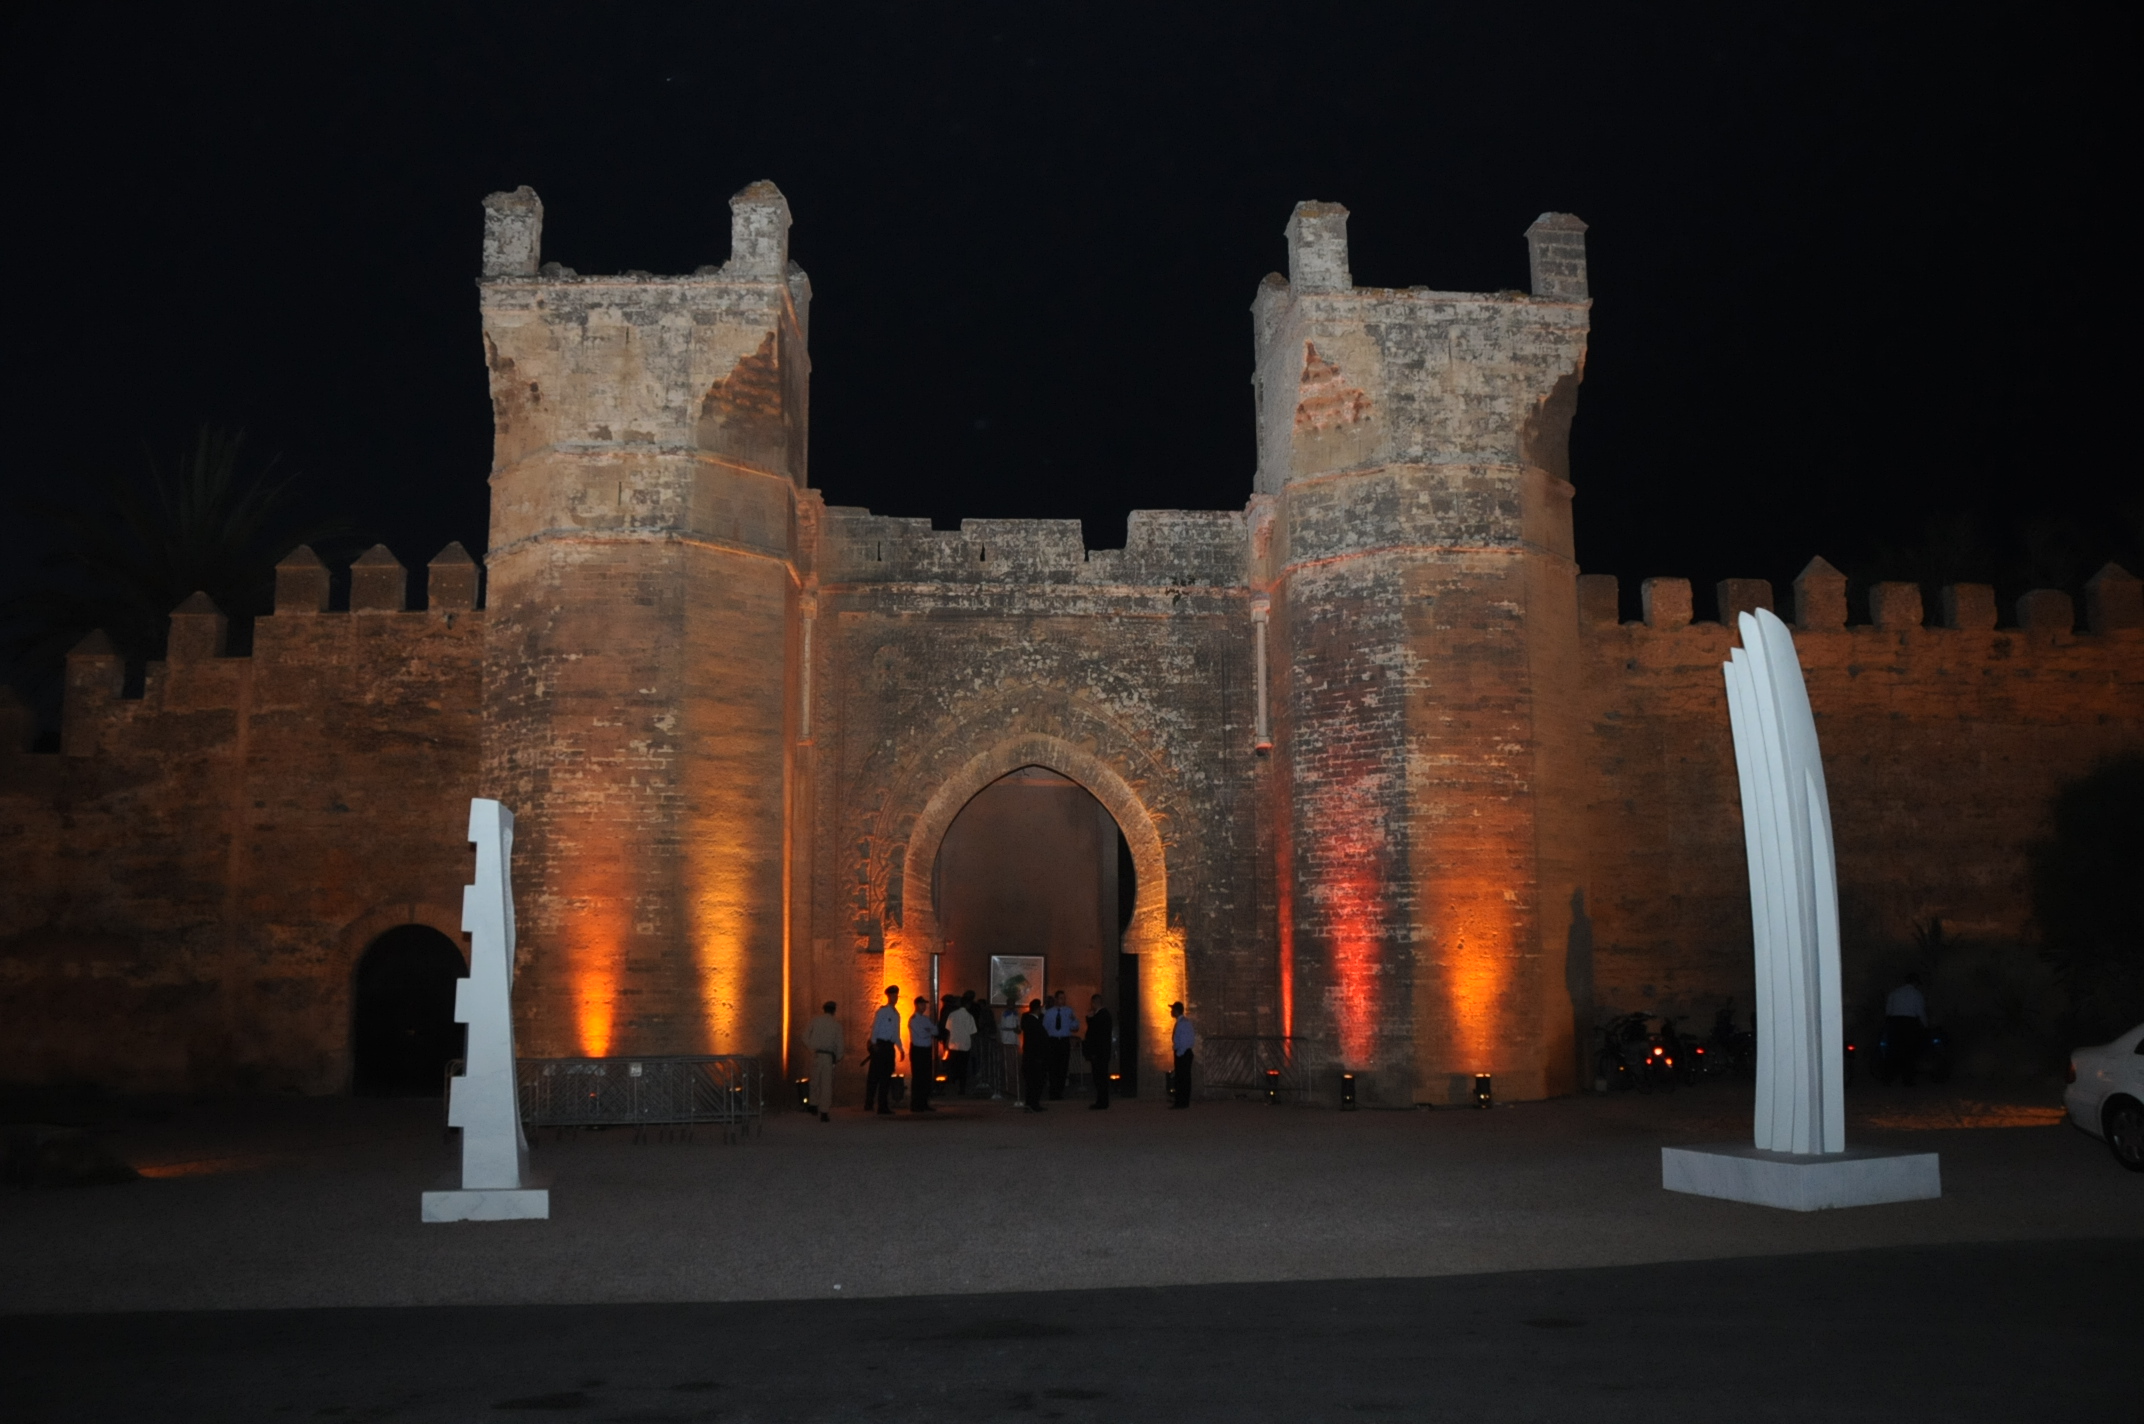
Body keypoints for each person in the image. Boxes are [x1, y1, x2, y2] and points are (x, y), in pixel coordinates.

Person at [1884, 973, 1928, 1086]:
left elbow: (1888, 1011)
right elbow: (1920, 1012)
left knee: (1893, 1049)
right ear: (1915, 982)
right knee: (1910, 1050)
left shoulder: (1894, 993)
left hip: (1895, 1022)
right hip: (1909, 1023)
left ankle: (1889, 1077)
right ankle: (1907, 1079)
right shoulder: (1916, 994)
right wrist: (1925, 1025)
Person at [866, 985, 903, 1115]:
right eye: (893, 995)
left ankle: (883, 1105)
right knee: (874, 1076)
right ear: (888, 996)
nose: (895, 998)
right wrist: (874, 1043)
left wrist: (901, 1048)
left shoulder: (896, 1014)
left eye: (896, 996)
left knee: (886, 1077)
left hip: (889, 1047)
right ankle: (869, 1103)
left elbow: (896, 1034)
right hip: (880, 1045)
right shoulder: (882, 1011)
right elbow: (875, 1027)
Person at [804, 1000, 842, 1122]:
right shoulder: (836, 1025)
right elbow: (840, 1043)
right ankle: (824, 1111)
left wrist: (811, 1048)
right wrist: (838, 1056)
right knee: (826, 1084)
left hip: (816, 1054)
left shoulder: (815, 1021)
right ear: (834, 1011)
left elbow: (804, 1036)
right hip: (828, 1056)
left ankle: (813, 1104)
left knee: (814, 1081)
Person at [1043, 990, 1078, 1099]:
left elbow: (1075, 1027)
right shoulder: (1049, 1012)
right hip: (1053, 1041)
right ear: (1056, 999)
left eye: (1064, 998)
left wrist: (1073, 1020)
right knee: (1053, 1067)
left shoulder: (1069, 1011)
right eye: (1061, 998)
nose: (1063, 1000)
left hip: (1063, 1040)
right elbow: (1045, 1027)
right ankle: (1053, 1091)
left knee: (1063, 1067)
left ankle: (1059, 1091)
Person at [908, 995, 939, 1112]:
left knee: (926, 1077)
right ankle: (916, 1104)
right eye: (922, 1004)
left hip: (926, 1050)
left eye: (925, 1004)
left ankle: (924, 1102)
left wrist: (929, 1031)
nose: (924, 1006)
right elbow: (921, 1034)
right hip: (918, 1050)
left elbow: (935, 1030)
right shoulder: (914, 1019)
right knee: (918, 1077)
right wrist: (929, 1032)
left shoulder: (926, 1019)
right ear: (916, 1005)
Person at [1083, 992, 1114, 1110]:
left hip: (1099, 1052)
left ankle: (1102, 1101)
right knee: (1100, 1077)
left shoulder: (1101, 1016)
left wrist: (1090, 1019)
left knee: (1099, 1077)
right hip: (1102, 1051)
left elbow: (1094, 1034)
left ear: (1094, 1003)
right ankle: (1102, 1100)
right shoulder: (1105, 1015)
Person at [943, 994, 978, 1096]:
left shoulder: (952, 1015)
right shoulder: (969, 1017)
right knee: (963, 1068)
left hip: (953, 1045)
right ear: (967, 1005)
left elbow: (948, 1030)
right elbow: (973, 1032)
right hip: (965, 1045)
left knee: (953, 1067)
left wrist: (946, 1043)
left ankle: (952, 1086)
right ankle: (962, 1089)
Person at [1019, 997, 1049, 1112]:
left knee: (1030, 1082)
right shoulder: (1034, 1023)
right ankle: (1034, 1104)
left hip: (1029, 1056)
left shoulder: (1028, 1020)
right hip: (1036, 1057)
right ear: (1038, 1008)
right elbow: (1038, 1041)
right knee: (1036, 1082)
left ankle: (1029, 1103)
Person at [1169, 1000, 1195, 1109]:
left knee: (1182, 1079)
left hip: (1183, 1053)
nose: (1171, 1011)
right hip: (1184, 1052)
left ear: (1177, 1010)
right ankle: (1182, 1102)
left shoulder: (1183, 1023)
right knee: (1183, 1078)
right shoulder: (1184, 1022)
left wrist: (1179, 1053)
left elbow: (1185, 1040)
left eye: (1173, 1009)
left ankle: (1181, 1102)